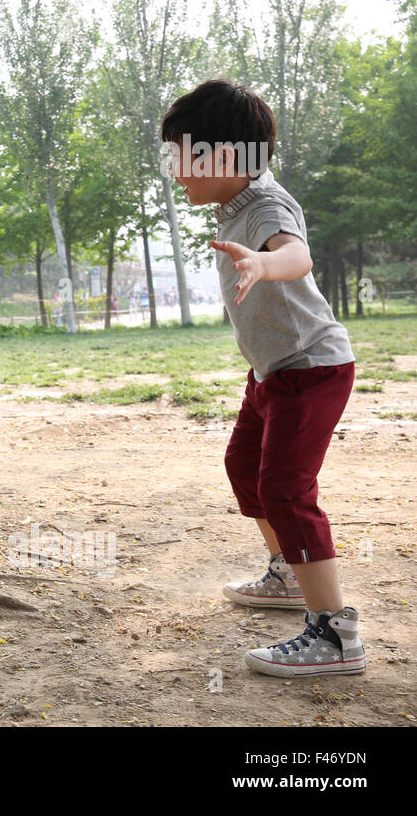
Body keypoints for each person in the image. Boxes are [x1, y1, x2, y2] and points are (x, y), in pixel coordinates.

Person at [163, 79, 361, 677]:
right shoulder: (236, 203)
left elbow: (294, 253)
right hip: (274, 372)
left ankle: (335, 635)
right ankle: (286, 575)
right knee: (244, 469)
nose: (177, 173)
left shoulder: (267, 208)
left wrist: (264, 263)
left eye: (182, 158)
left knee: (286, 490)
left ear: (225, 158)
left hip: (312, 369)